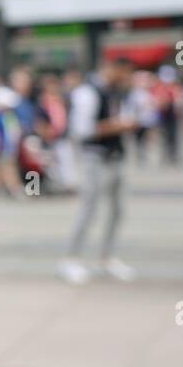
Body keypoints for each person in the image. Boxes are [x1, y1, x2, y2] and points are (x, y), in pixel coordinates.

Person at [58, 57, 138, 285]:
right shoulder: (87, 92)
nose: (125, 78)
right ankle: (71, 259)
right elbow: (81, 130)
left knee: (117, 210)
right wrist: (118, 125)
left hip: (115, 156)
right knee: (88, 209)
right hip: (95, 158)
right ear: (110, 68)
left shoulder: (115, 92)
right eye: (123, 73)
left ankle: (106, 257)